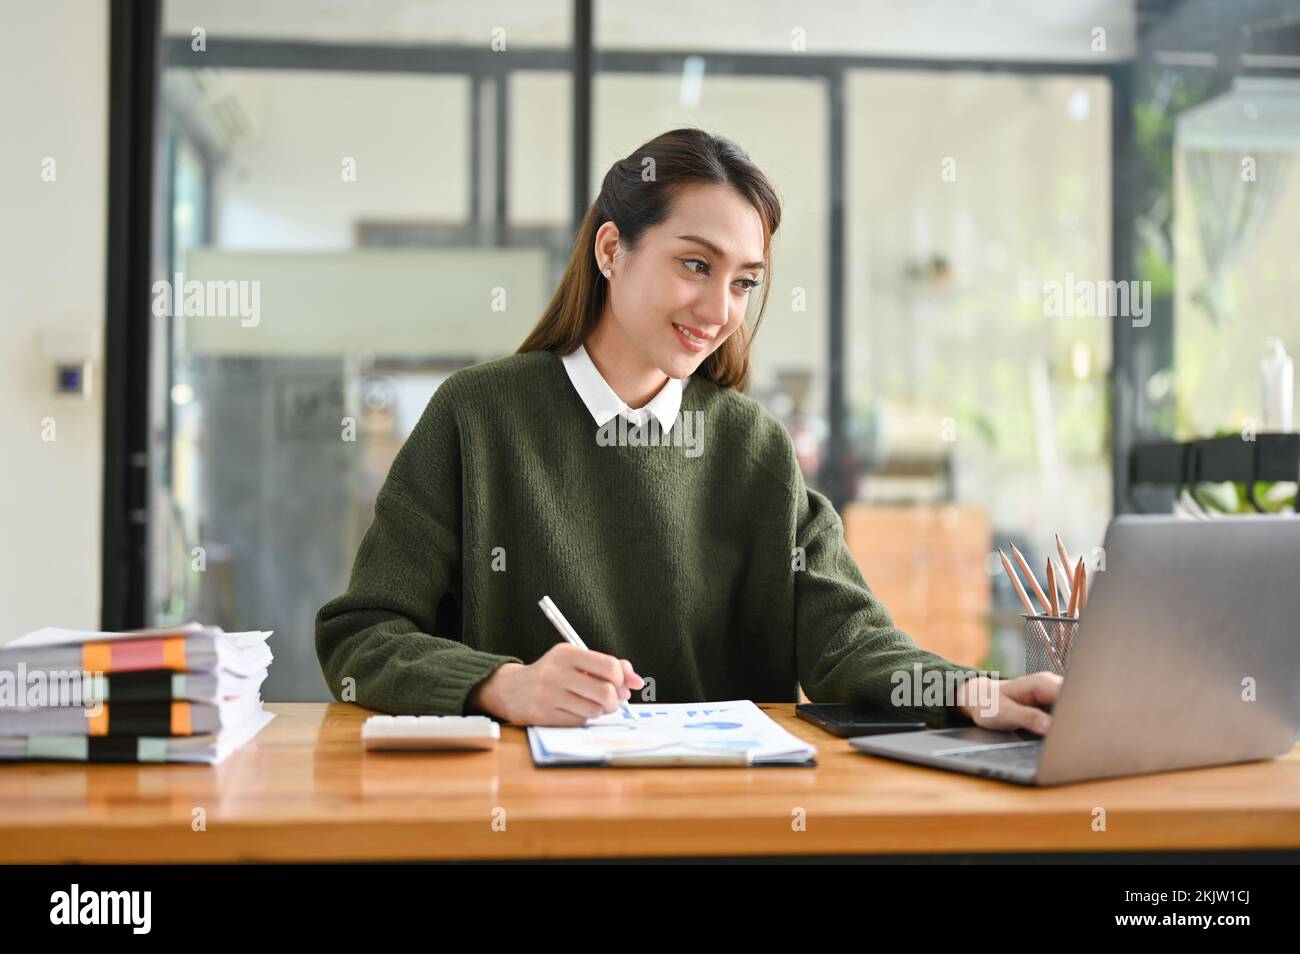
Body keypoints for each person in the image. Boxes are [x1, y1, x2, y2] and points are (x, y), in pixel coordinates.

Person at [315, 127, 1060, 732]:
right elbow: (363, 635)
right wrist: (500, 685)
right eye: (695, 265)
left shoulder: (754, 447)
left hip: (720, 817)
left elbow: (846, 638)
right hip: (525, 819)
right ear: (612, 250)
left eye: (743, 281)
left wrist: (970, 692)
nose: (719, 309)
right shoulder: (478, 416)